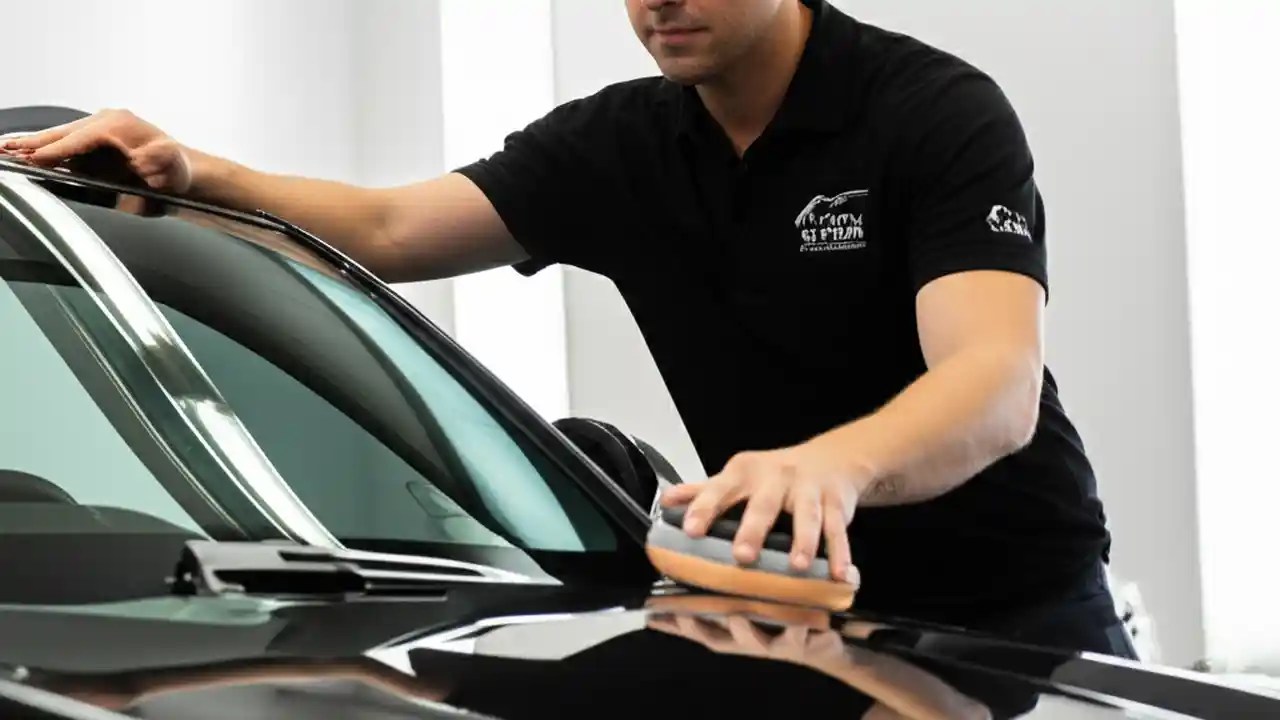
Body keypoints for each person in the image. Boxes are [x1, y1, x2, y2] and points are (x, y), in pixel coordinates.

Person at [3, 0, 1135, 658]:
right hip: (785, 615)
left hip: (1021, 614)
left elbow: (992, 379)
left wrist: (831, 466)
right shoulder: (617, 147)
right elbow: (391, 227)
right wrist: (197, 170)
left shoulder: (930, 112)